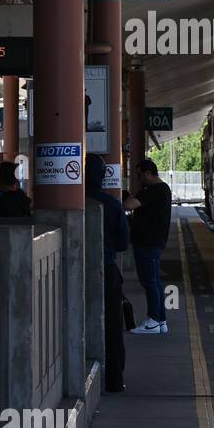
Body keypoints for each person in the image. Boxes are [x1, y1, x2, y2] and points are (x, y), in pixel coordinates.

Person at [86, 155, 129, 391]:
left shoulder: (68, 201)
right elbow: (123, 244)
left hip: (70, 271)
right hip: (107, 271)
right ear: (102, 176)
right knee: (112, 326)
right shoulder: (112, 205)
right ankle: (114, 380)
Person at [124, 158, 172, 334]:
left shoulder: (153, 190)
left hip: (148, 242)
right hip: (154, 241)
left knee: (149, 281)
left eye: (139, 175)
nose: (138, 179)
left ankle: (153, 320)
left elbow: (128, 204)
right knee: (155, 282)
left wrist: (131, 196)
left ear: (147, 173)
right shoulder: (163, 188)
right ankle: (160, 321)